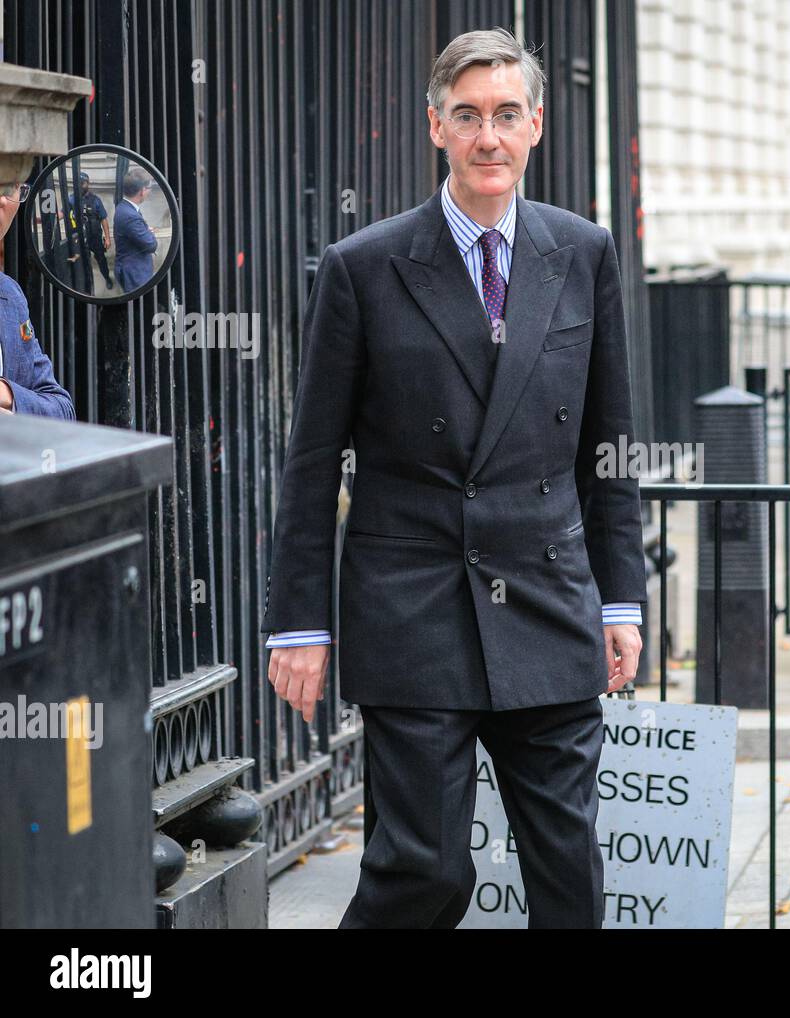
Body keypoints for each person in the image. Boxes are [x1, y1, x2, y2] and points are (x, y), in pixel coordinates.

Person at [260, 28, 646, 929]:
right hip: (413, 607)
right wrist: (299, 623)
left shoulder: (583, 252)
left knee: (568, 873)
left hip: (548, 602)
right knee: (424, 872)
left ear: (536, 125)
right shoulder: (365, 267)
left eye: (506, 115)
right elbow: (314, 459)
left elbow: (610, 445)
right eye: (467, 116)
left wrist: (620, 601)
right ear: (435, 127)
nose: (488, 138)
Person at [0, 180, 75, 420]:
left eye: (9, 187)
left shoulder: (9, 294)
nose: (2, 199)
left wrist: (9, 395)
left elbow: (62, 408)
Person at [113, 169, 159, 291]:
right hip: (135, 273)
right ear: (142, 191)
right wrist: (149, 232)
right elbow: (151, 245)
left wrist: (144, 230)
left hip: (132, 269)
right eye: (149, 187)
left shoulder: (124, 207)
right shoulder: (130, 216)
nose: (150, 191)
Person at [76, 171, 114, 291]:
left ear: (88, 183)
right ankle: (88, 285)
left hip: (95, 238)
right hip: (81, 239)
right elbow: (62, 213)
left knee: (102, 261)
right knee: (84, 264)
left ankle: (107, 278)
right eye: (80, 183)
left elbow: (103, 219)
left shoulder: (95, 200)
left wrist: (107, 238)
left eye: (84, 183)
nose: (82, 185)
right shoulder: (73, 199)